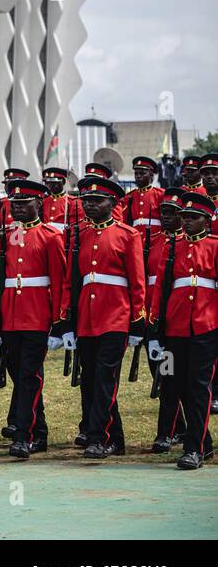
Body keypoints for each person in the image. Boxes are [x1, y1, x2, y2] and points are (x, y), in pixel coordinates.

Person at [0, 179, 67, 460]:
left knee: (29, 376)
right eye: (14, 203)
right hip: (10, 317)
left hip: (36, 316)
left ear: (38, 204)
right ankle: (38, 431)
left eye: (24, 203)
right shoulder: (3, 237)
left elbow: (59, 281)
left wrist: (58, 323)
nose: (17, 208)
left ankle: (23, 435)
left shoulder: (50, 237)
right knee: (21, 377)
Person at [68, 175, 146, 459]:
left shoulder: (128, 235)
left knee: (104, 379)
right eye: (86, 200)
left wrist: (138, 320)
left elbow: (137, 282)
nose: (88, 205)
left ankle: (98, 437)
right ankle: (116, 438)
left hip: (116, 316)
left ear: (112, 203)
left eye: (96, 201)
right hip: (88, 320)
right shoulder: (83, 234)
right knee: (90, 379)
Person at [150, 191, 218, 470]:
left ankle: (194, 449)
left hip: (206, 325)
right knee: (178, 386)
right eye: (185, 217)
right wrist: (155, 326)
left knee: (198, 386)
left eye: (193, 218)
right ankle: (206, 442)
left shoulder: (215, 245)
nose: (187, 222)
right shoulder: (172, 246)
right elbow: (160, 288)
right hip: (175, 327)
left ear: (207, 219)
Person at [146, 188, 188, 452]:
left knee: (170, 375)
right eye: (163, 212)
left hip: (178, 318)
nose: (167, 217)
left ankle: (167, 432)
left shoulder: (186, 243)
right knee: (161, 374)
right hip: (154, 318)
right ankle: (178, 428)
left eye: (173, 213)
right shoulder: (153, 241)